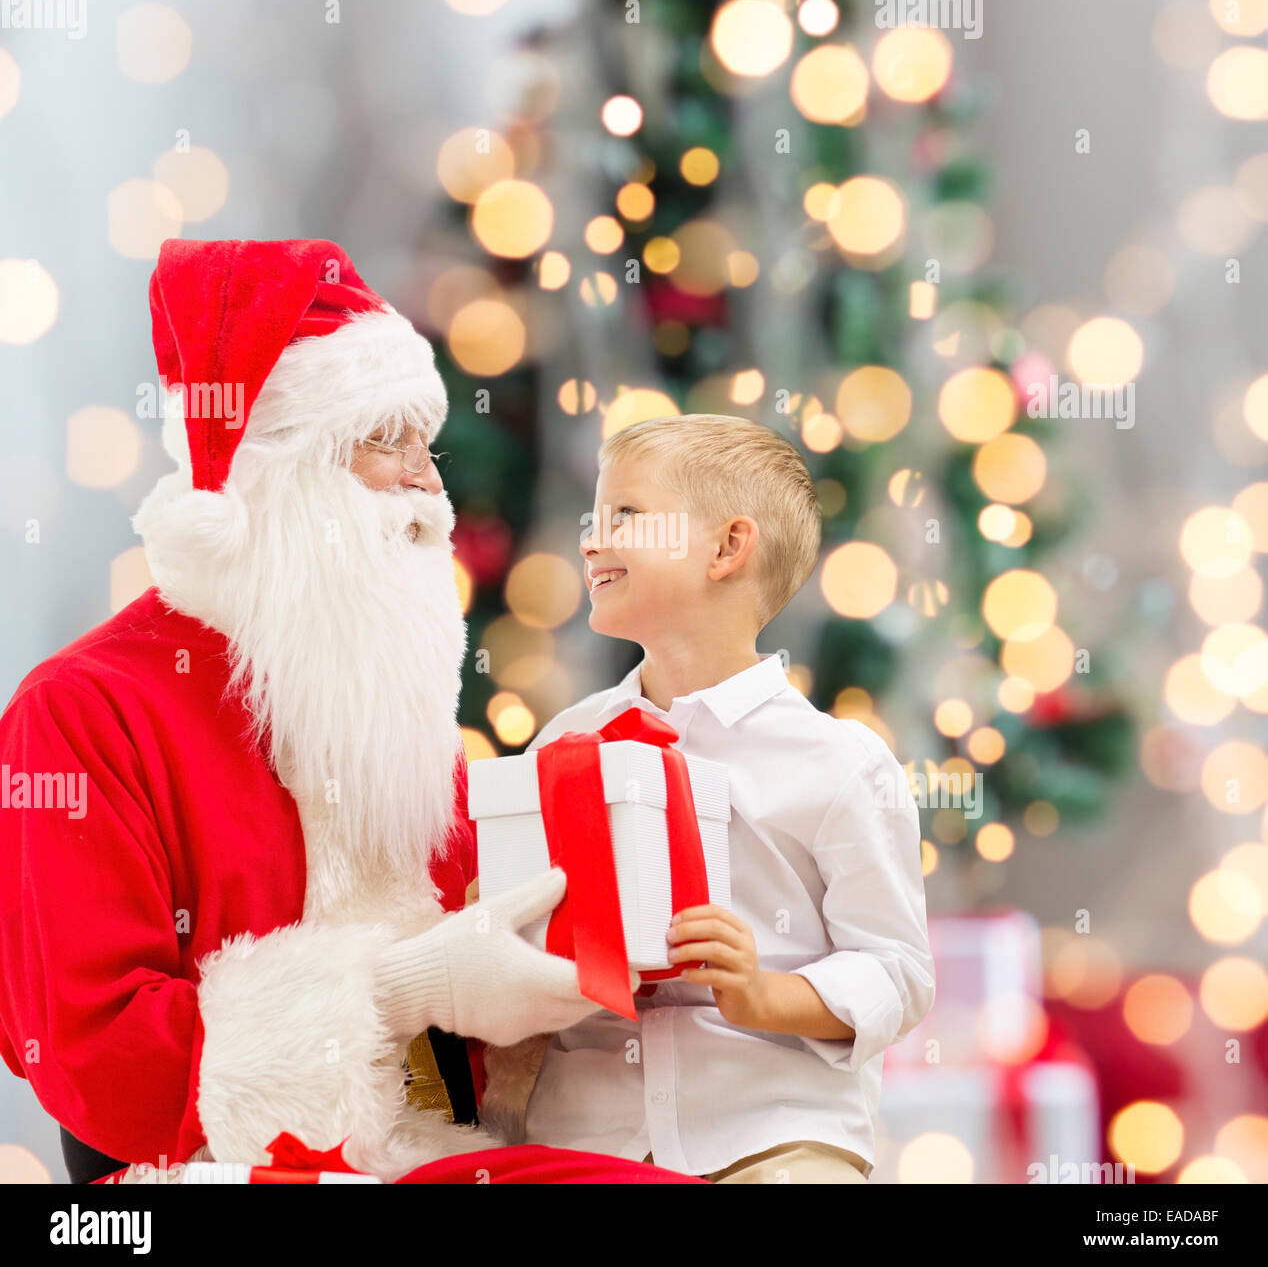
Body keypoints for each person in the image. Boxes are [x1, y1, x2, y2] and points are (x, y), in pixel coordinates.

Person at [0, 238, 699, 1185]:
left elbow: (462, 1052)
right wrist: (406, 988)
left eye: (429, 445)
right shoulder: (83, 713)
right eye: (384, 442)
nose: (429, 485)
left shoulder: (383, 706)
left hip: (440, 1155)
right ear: (277, 468)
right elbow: (98, 1067)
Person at [509, 414, 936, 1183]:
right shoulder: (563, 746)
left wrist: (766, 995)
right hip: (589, 1137)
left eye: (625, 516)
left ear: (727, 548)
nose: (590, 541)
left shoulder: (839, 764)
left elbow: (896, 970)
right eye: (591, 519)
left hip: (772, 1135)